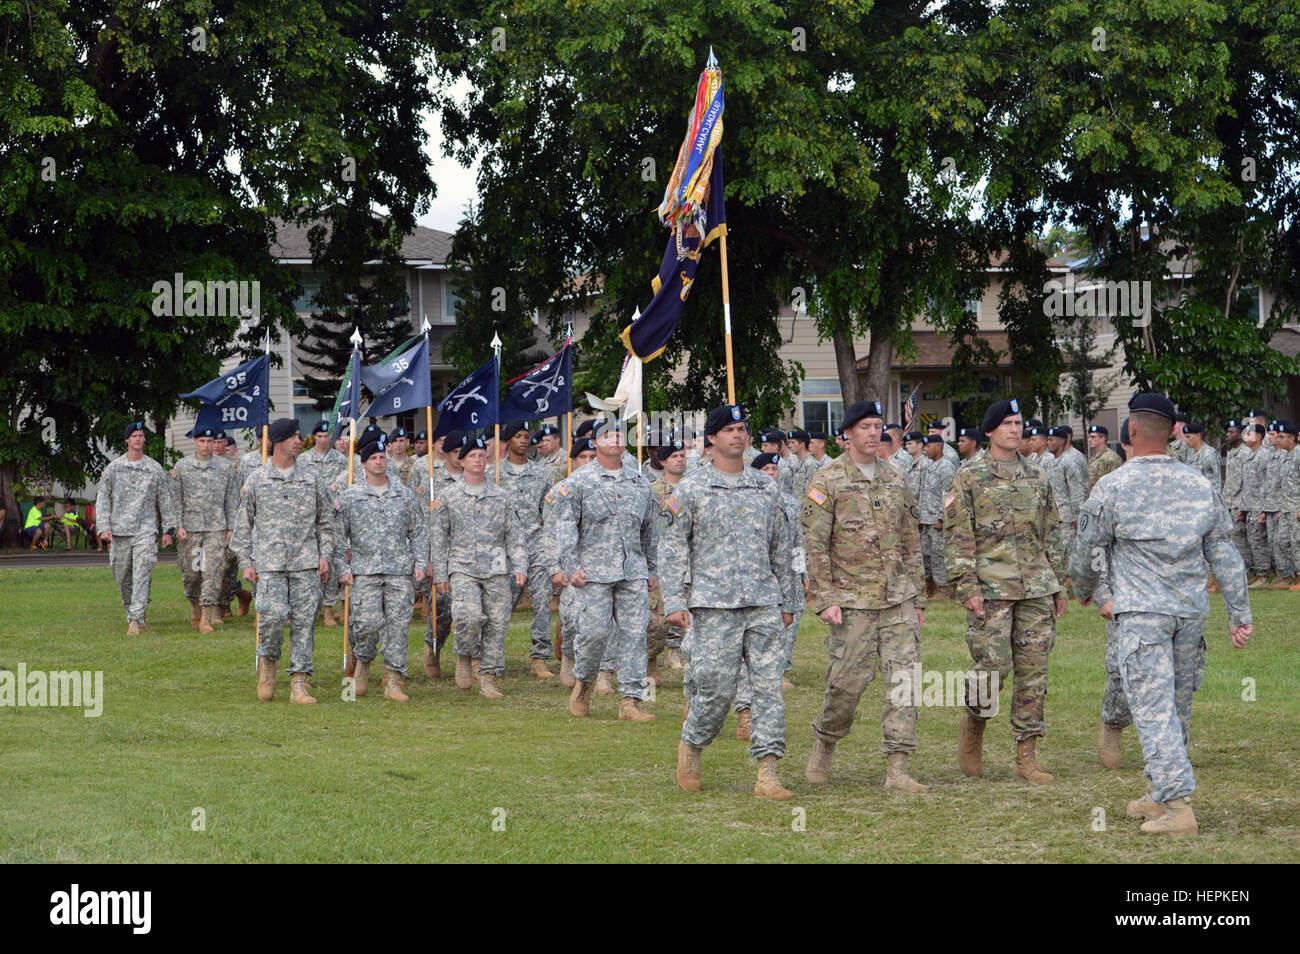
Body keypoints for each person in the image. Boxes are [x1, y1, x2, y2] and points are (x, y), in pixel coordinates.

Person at [1070, 393, 1252, 836]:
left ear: (1131, 431)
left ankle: (1177, 806)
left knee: (1153, 711)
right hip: (1189, 615)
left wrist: (1084, 589)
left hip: (1143, 615)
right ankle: (1157, 794)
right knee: (1176, 708)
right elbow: (1224, 554)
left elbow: (1087, 551)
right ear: (1173, 432)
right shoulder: (1199, 485)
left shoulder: (1112, 486)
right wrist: (1239, 613)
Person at [662, 405, 798, 798]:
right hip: (714, 606)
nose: (738, 435)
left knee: (768, 688)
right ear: (712, 439)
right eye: (729, 430)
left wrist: (787, 600)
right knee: (716, 690)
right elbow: (671, 549)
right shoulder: (690, 488)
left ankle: (768, 771)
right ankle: (693, 743)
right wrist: (674, 601)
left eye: (742, 429)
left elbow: (781, 548)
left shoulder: (766, 487)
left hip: (763, 602)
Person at [801, 400, 928, 792]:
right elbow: (815, 544)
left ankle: (898, 767)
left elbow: (911, 539)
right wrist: (825, 598)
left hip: (897, 599)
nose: (875, 433)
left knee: (904, 681)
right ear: (849, 434)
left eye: (878, 426)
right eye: (865, 427)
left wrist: (918, 597)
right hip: (852, 601)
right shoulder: (828, 480)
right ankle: (824, 744)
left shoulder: (896, 478)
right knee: (847, 685)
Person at [944, 398, 1067, 785]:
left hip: (1035, 587)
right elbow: (958, 535)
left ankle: (1025, 756)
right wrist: (967, 586)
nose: (1016, 430)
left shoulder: (1037, 477)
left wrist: (1060, 583)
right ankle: (975, 724)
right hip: (991, 588)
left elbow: (1052, 532)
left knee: (1034, 674)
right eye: (1008, 424)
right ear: (990, 431)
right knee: (992, 668)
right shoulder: (969, 477)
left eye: (1019, 423)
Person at [555, 419, 659, 722]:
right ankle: (584, 683)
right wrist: (570, 566)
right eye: (607, 435)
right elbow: (565, 528)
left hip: (632, 572)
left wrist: (651, 568)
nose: (614, 439)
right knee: (593, 635)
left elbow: (650, 530)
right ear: (595, 443)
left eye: (619, 434)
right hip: (593, 575)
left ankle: (630, 701)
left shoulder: (639, 482)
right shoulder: (578, 481)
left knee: (635, 635)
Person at [231, 418, 334, 704]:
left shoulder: (312, 478)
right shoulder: (257, 480)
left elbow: (326, 522)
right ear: (277, 442)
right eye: (293, 437)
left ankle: (299, 682)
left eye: (300, 437)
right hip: (270, 565)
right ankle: (268, 664)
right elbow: (242, 526)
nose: (299, 442)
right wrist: (246, 561)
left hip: (305, 563)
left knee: (304, 623)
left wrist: (324, 555)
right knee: (273, 617)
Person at [430, 435, 527, 699]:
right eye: (472, 456)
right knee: (467, 616)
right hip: (462, 567)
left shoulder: (501, 496)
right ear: (461, 461)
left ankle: (488, 677)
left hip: (496, 568)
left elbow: (514, 535)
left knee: (497, 623)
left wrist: (520, 565)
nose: (478, 460)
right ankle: (464, 653)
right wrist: (440, 573)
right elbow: (438, 538)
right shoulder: (447, 496)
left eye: (482, 455)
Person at [336, 434, 429, 701]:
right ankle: (363, 664)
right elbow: (338, 536)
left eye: (382, 457)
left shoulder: (404, 494)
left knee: (398, 625)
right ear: (363, 464)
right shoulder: (351, 496)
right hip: (364, 571)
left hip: (399, 570)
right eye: (373, 458)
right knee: (365, 624)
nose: (379, 462)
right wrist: (343, 567)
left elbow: (419, 532)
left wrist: (421, 563)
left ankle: (393, 679)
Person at [731, 451, 804, 735]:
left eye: (775, 468)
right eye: (766, 469)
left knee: (772, 648)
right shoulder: (743, 498)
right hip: (748, 584)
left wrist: (802, 575)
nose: (772, 473)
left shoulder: (789, 504)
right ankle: (742, 709)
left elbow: (796, 542)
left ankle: (756, 712)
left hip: (783, 581)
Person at [96, 422, 177, 634]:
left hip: (145, 530)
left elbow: (165, 501)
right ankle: (133, 609)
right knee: (122, 576)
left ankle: (135, 619)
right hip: (120, 531)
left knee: (141, 573)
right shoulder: (114, 468)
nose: (138, 439)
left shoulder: (154, 469)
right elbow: (103, 500)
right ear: (127, 440)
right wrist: (103, 527)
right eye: (134, 436)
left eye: (141, 435)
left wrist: (169, 530)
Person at [498, 421, 560, 678]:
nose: (523, 441)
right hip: (505, 548)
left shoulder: (543, 474)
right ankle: (492, 655)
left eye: (526, 436)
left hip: (536, 544)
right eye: (517, 436)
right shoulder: (495, 474)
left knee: (543, 601)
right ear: (507, 442)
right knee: (501, 604)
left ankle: (539, 657)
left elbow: (550, 511)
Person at [170, 426, 239, 633]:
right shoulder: (182, 467)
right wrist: (178, 526)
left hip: (215, 529)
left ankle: (206, 618)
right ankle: (194, 606)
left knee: (213, 573)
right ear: (195, 442)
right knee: (192, 575)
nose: (206, 445)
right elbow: (175, 500)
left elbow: (231, 499)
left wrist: (230, 528)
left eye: (210, 441)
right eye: (202, 441)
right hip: (190, 530)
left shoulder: (225, 468)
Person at [544, 437, 598, 685]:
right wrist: (556, 568)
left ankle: (601, 672)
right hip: (571, 566)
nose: (587, 462)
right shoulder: (560, 492)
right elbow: (550, 534)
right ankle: (568, 657)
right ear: (573, 461)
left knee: (603, 621)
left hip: (601, 565)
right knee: (571, 617)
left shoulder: (609, 488)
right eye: (583, 458)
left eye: (592, 457)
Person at [415, 430, 467, 677]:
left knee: (469, 611)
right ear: (445, 454)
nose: (460, 457)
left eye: (462, 452)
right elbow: (423, 523)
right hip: (441, 555)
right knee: (443, 610)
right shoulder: (432, 482)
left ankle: (468, 660)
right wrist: (431, 561)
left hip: (469, 556)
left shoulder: (477, 478)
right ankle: (432, 648)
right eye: (455, 452)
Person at [648, 436, 690, 677]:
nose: (680, 460)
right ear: (662, 461)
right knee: (658, 619)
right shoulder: (652, 491)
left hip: (691, 560)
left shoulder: (693, 487)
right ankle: (651, 659)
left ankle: (678, 653)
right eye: (674, 456)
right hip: (663, 560)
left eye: (683, 455)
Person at [301, 421, 348, 627]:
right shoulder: (303, 460)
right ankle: (313, 608)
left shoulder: (341, 460)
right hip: (310, 518)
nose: (323, 439)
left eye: (326, 435)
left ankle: (329, 610)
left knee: (330, 561)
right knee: (311, 563)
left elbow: (346, 488)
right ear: (314, 438)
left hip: (334, 517)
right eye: (319, 436)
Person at [919, 434, 956, 597]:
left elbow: (949, 495)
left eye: (929, 447)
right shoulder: (929, 466)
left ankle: (944, 588)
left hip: (937, 520)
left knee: (938, 554)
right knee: (926, 554)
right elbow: (924, 493)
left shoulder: (946, 467)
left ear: (939, 447)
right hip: (926, 518)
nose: (926, 450)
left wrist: (942, 518)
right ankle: (930, 586)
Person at [1240, 422, 1272, 584]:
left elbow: (1267, 484)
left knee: (1260, 541)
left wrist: (1264, 510)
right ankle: (1257, 573)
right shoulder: (1249, 455)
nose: (1245, 437)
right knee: (1252, 541)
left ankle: (1264, 574)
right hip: (1250, 506)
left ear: (1258, 437)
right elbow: (1247, 484)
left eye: (1248, 434)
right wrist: (1243, 508)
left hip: (1260, 506)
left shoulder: (1264, 455)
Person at [1221, 420, 1252, 567]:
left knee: (1241, 538)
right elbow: (1229, 480)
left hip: (1240, 503)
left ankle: (1246, 569)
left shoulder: (1246, 453)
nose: (1228, 435)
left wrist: (1244, 507)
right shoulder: (1232, 453)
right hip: (1230, 502)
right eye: (1227, 432)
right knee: (1232, 538)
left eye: (1231, 432)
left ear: (1241, 434)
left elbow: (1247, 481)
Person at [1087, 424, 1122, 490]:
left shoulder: (1112, 458)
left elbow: (1117, 483)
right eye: (1089, 437)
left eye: (1093, 437)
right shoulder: (1093, 458)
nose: (1089, 440)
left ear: (1102, 439)